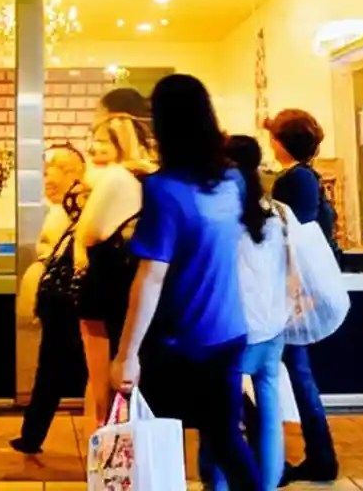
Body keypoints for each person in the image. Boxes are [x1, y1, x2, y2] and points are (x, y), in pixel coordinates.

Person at [110, 74, 259, 491]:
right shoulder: (233, 181)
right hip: (229, 330)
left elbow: (151, 276)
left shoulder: (163, 189)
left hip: (179, 339)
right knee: (226, 436)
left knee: (157, 441)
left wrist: (126, 354)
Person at [209, 135, 292, 491]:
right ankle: (268, 484)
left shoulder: (221, 213)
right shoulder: (275, 211)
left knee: (219, 415)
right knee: (270, 409)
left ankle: (219, 484)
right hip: (272, 323)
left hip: (231, 327)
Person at [265, 109, 340, 484]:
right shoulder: (308, 178)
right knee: (294, 373)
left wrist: (291, 294)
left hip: (293, 291)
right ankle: (317, 456)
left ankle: (307, 458)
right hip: (302, 289)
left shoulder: (292, 183)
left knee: (287, 374)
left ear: (279, 142)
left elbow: (291, 239)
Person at [75, 87, 156, 429]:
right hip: (131, 286)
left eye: (101, 141)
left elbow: (88, 233)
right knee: (125, 376)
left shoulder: (116, 179)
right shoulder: (153, 177)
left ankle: (108, 455)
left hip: (104, 286)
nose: (94, 149)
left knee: (103, 380)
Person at [12, 144, 88, 454]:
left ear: (73, 172)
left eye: (52, 170)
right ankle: (31, 435)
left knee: (55, 366)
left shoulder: (79, 207)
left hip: (69, 298)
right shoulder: (64, 208)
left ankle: (33, 435)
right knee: (53, 367)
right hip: (62, 298)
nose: (46, 178)